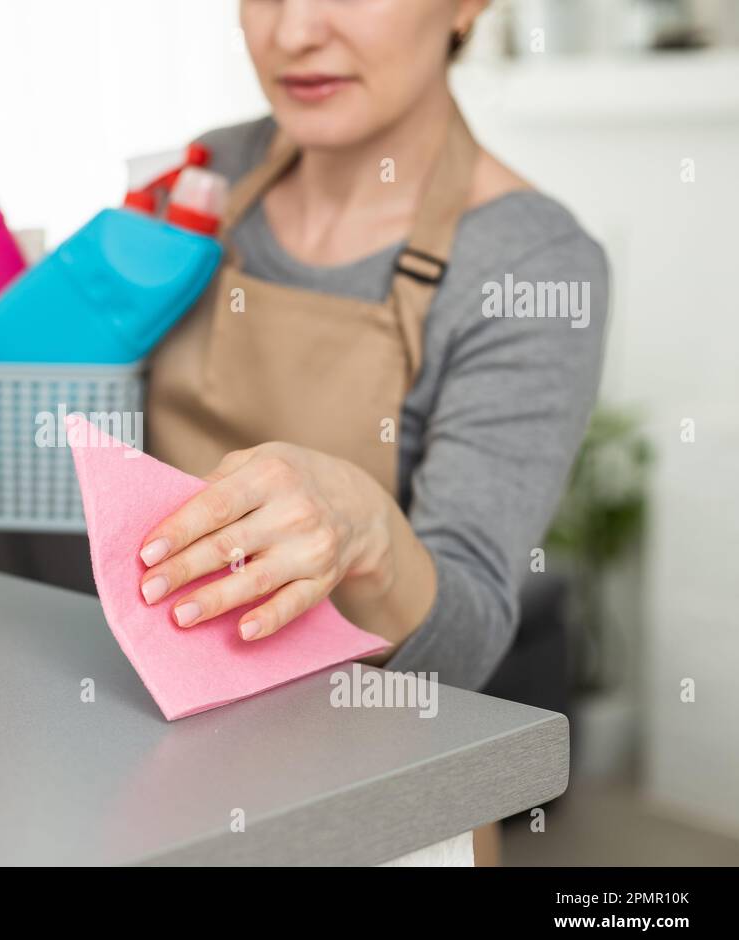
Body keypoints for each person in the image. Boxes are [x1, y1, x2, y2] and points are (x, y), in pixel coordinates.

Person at [135, 0, 607, 699]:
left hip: (375, 767)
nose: (294, 33)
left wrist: (368, 530)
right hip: (153, 717)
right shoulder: (208, 176)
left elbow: (464, 654)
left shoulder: (530, 265)